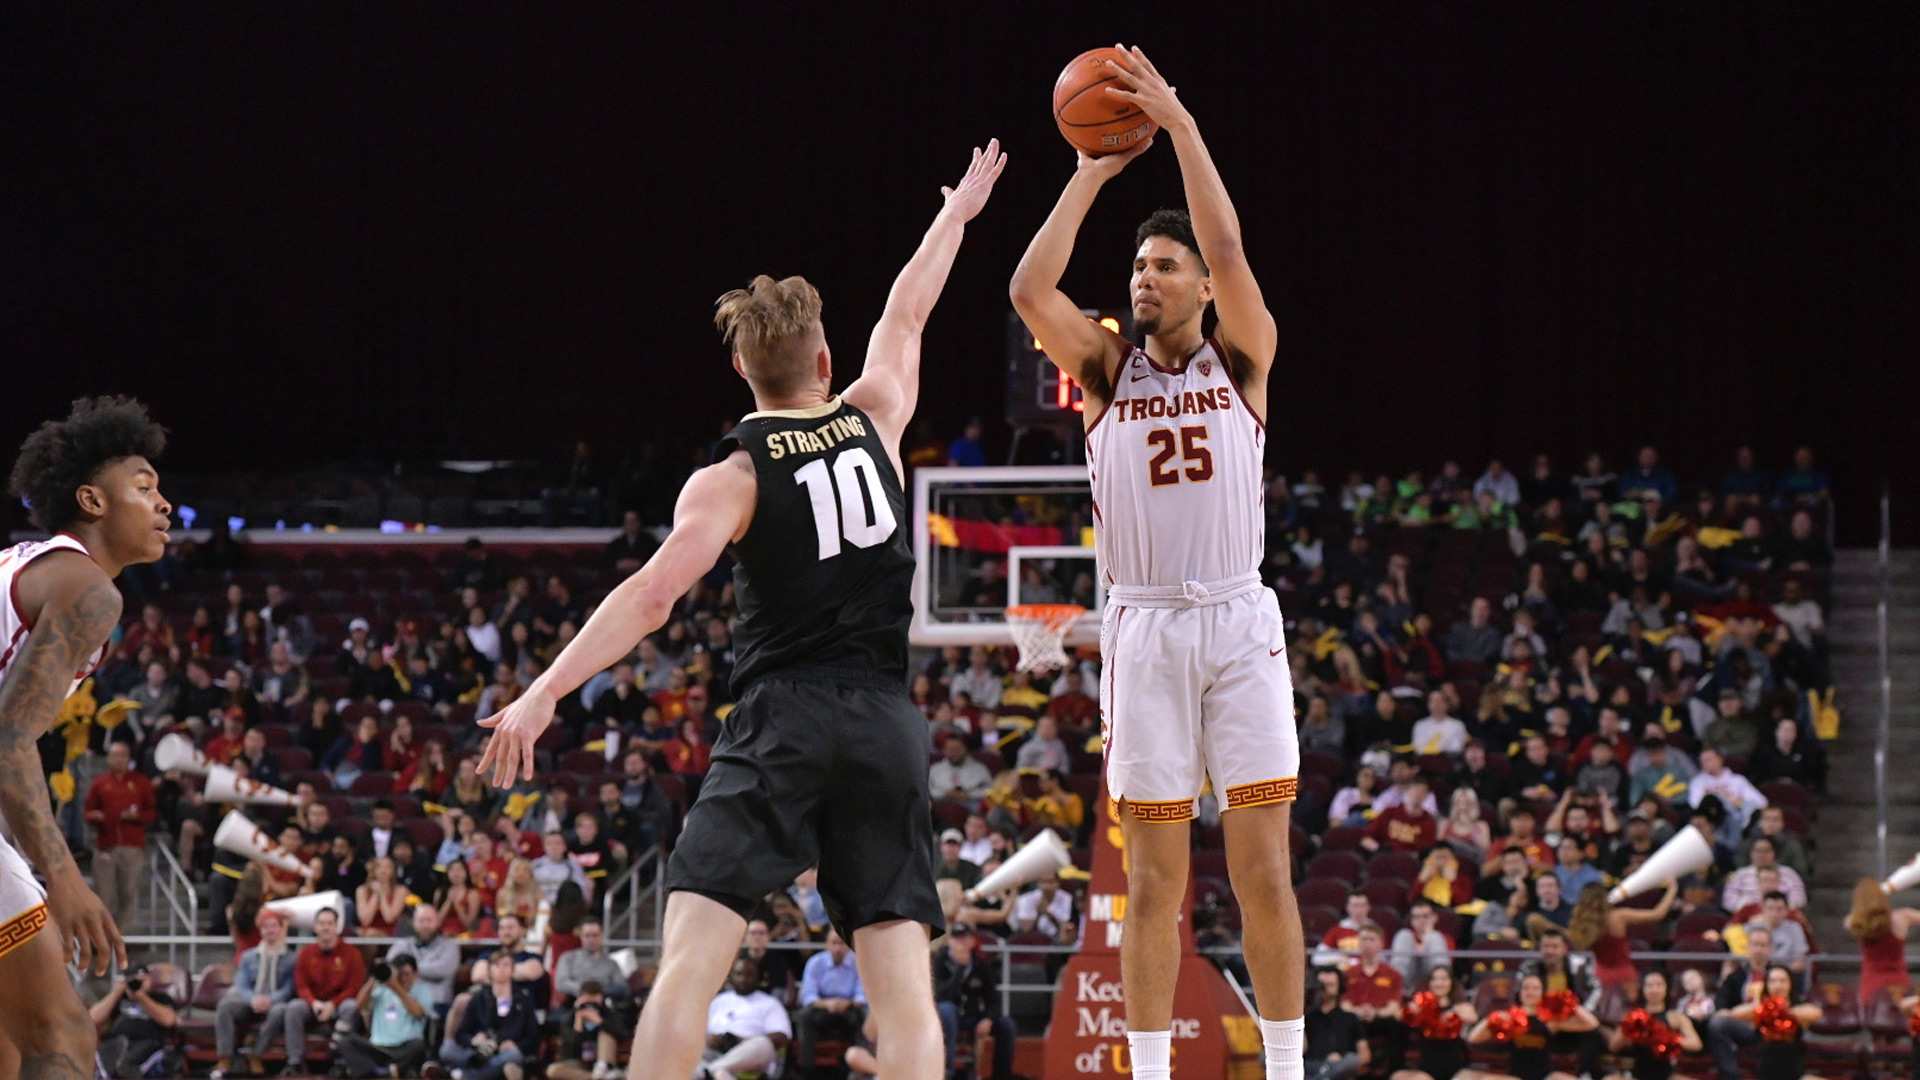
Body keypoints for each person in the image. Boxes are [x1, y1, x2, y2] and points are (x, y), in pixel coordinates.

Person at [474, 142, 1005, 1080]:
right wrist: (953, 216)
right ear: (826, 359)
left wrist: (546, 690)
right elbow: (908, 310)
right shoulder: (877, 410)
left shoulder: (731, 477)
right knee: (905, 994)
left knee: (689, 963)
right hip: (885, 721)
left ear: (741, 370)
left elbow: (650, 597)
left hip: (783, 719)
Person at [1010, 45, 1305, 1080]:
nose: (1145, 276)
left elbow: (1225, 240)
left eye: (1164, 266)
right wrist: (1090, 173)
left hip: (1237, 621)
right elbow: (1028, 285)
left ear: (1203, 289)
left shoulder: (1244, 356)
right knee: (1154, 885)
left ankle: (1287, 1068)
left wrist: (1179, 127)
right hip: (1143, 629)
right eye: (1138, 266)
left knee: (1263, 875)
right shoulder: (1103, 368)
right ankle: (1146, 1071)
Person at [0, 397, 172, 1079]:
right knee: (63, 1039)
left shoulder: (25, 564)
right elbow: (8, 741)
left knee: (11, 1043)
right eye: (144, 486)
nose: (163, 503)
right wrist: (64, 879)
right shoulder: (88, 589)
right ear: (92, 501)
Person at [211, 907, 297, 1079]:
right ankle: (225, 1057)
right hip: (251, 1001)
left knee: (280, 1011)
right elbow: (241, 984)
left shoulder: (291, 958)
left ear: (281, 929)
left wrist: (270, 1000)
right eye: (266, 927)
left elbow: (289, 988)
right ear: (260, 930)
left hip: (274, 1003)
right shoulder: (248, 956)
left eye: (274, 926)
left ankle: (257, 1054)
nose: (270, 930)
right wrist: (252, 999)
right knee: (226, 1005)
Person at [1464, 971, 1596, 1080]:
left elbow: (1591, 1024)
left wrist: (1568, 1002)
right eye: (1526, 988)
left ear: (1542, 992)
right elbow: (1473, 1038)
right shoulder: (1510, 1017)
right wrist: (1490, 1019)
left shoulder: (1550, 1021)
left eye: (1535, 988)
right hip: (1516, 1076)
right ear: (1519, 992)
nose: (1530, 992)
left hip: (1545, 1076)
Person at [280, 906, 365, 1074]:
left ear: (337, 927)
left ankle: (342, 1060)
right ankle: (294, 1061)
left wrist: (333, 1004)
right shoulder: (305, 953)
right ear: (315, 927)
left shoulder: (352, 953)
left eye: (330, 923)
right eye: (322, 923)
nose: (326, 927)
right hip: (314, 1004)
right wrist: (314, 1003)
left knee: (351, 1006)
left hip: (339, 1003)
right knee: (294, 1008)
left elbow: (354, 988)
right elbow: (301, 985)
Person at [430, 951, 539, 1080]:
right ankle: (479, 1068)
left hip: (504, 1052)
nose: (501, 970)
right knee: (447, 1050)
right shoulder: (478, 998)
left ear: (512, 970)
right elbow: (462, 1033)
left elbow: (533, 1036)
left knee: (513, 1055)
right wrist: (473, 1041)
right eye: (496, 965)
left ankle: (457, 1075)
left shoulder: (524, 1000)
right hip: (478, 1050)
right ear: (489, 970)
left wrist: (516, 1045)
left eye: (505, 965)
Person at [933, 924, 1016, 1080]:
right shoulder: (940, 961)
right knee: (947, 1009)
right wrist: (960, 969)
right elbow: (941, 995)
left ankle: (1001, 1074)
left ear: (972, 941)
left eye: (964, 938)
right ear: (949, 941)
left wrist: (987, 1019)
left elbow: (993, 1000)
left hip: (972, 1015)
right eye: (956, 938)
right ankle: (947, 1071)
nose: (961, 942)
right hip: (946, 1017)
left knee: (1006, 1024)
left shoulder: (981, 965)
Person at [1565, 880, 1678, 994]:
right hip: (1624, 976)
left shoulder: (1583, 924)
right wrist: (1672, 890)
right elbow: (1658, 914)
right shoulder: (1618, 917)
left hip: (1601, 975)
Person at [335, 953, 431, 1080]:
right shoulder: (381, 990)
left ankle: (387, 1072)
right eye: (399, 974)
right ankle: (380, 1074)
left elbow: (417, 1012)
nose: (402, 978)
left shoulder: (422, 991)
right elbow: (359, 1006)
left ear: (415, 974)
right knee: (346, 1042)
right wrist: (374, 977)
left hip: (404, 1048)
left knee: (418, 1046)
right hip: (379, 1047)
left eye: (406, 974)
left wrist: (397, 988)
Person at [1722, 965, 1822, 1080]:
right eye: (1773, 981)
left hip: (1794, 1071)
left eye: (1783, 981)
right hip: (1766, 1071)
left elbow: (1816, 1013)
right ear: (1767, 985)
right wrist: (1764, 1006)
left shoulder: (1798, 1008)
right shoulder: (1759, 1009)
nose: (1778, 985)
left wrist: (1783, 1010)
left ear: (1790, 983)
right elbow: (1736, 1013)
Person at [1602, 969, 1703, 1080]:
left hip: (1667, 1076)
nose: (1654, 990)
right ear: (1643, 989)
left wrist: (1666, 1036)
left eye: (1659, 985)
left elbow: (1696, 1044)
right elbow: (1613, 1046)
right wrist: (1628, 1030)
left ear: (1666, 989)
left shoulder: (1675, 1017)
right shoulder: (1634, 1016)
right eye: (1649, 985)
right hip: (1638, 1076)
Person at [703, 957, 792, 1080]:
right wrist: (710, 1039)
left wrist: (744, 1041)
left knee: (763, 1043)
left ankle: (707, 1072)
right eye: (739, 974)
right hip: (718, 1052)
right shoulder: (718, 1001)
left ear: (758, 978)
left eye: (749, 975)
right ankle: (716, 1071)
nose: (743, 979)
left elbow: (782, 1037)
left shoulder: (770, 1003)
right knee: (694, 1047)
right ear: (731, 976)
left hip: (750, 1054)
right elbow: (700, 1032)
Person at [89, 963, 180, 1080]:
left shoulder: (160, 998)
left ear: (151, 980)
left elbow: (168, 1020)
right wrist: (116, 992)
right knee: (108, 1057)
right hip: (117, 1042)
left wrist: (141, 997)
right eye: (136, 981)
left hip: (147, 1042)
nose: (140, 984)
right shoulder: (120, 997)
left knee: (127, 1063)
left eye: (144, 980)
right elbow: (92, 1018)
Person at [797, 929, 869, 1078]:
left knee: (863, 1016)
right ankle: (806, 1070)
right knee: (803, 1016)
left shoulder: (859, 963)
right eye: (834, 943)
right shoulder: (815, 963)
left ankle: (860, 1070)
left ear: (848, 946)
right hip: (822, 1008)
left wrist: (847, 1003)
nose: (838, 948)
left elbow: (862, 996)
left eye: (841, 943)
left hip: (848, 1008)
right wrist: (826, 1004)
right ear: (826, 945)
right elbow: (808, 996)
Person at [1706, 923, 1773, 1080]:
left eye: (1763, 945)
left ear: (1770, 949)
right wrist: (1722, 1010)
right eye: (1755, 945)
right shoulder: (1735, 976)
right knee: (1717, 1024)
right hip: (1742, 1025)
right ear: (1748, 947)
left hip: (1769, 1025)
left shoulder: (1779, 975)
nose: (1758, 950)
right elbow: (1722, 998)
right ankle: (1731, 1076)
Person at [1388, 964, 1476, 1080]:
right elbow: (1399, 1015)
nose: (1439, 983)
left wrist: (1451, 1013)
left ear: (1451, 983)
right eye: (1434, 979)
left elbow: (1472, 1017)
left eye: (1444, 979)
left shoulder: (1462, 1007)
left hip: (1456, 1069)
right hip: (1427, 1069)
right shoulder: (1421, 1007)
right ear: (1429, 983)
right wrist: (1416, 1008)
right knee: (1398, 1076)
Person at [1847, 877, 1920, 1005]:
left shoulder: (1854, 922)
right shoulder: (1903, 917)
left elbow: (1855, 918)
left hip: (1870, 987)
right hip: (1900, 986)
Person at [384, 904, 463, 1014]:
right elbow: (390, 966)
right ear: (413, 923)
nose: (425, 926)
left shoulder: (450, 947)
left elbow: (443, 970)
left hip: (436, 1002)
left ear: (438, 923)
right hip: (402, 1000)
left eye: (429, 921)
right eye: (421, 921)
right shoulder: (401, 945)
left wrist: (408, 970)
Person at [547, 978, 633, 1080]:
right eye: (588, 1001)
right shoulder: (570, 1018)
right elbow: (569, 1048)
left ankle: (602, 1069)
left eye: (594, 1002)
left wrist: (600, 1021)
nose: (590, 1006)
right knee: (553, 1070)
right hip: (580, 1061)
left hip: (605, 1061)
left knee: (605, 1033)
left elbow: (624, 1033)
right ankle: (597, 1078)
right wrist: (578, 1020)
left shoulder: (608, 1014)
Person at [1303, 967, 1370, 1080]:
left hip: (1340, 1068)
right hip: (1312, 1067)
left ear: (1339, 987)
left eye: (1331, 985)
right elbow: (1301, 1049)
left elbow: (1365, 1055)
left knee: (1351, 1060)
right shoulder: (1306, 1018)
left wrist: (1340, 1061)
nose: (1326, 989)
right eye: (1323, 985)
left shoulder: (1350, 1018)